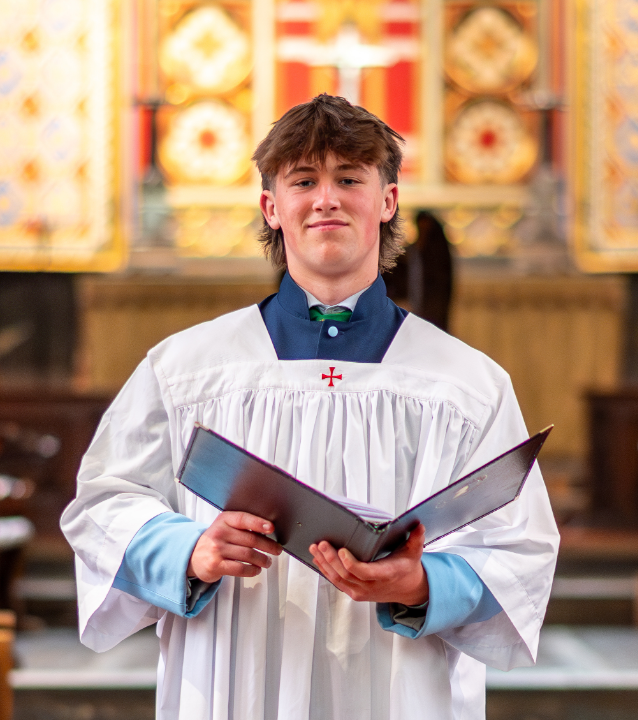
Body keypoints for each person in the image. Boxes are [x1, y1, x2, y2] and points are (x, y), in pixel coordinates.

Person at [61, 95, 559, 719]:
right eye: (304, 181)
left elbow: (523, 548)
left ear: (388, 200)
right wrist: (192, 551)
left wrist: (424, 584)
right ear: (272, 207)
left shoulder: (467, 385)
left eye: (349, 179)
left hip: (399, 686)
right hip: (232, 679)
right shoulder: (187, 370)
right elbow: (103, 504)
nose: (326, 199)